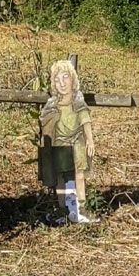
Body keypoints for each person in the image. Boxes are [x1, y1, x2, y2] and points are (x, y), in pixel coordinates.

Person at [38, 59, 97, 223]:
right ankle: (62, 209)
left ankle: (82, 207)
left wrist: (90, 140)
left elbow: (85, 120)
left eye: (65, 78)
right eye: (57, 80)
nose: (61, 83)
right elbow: (46, 122)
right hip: (59, 144)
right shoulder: (53, 104)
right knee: (59, 178)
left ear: (72, 79)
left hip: (77, 142)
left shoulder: (78, 102)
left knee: (79, 175)